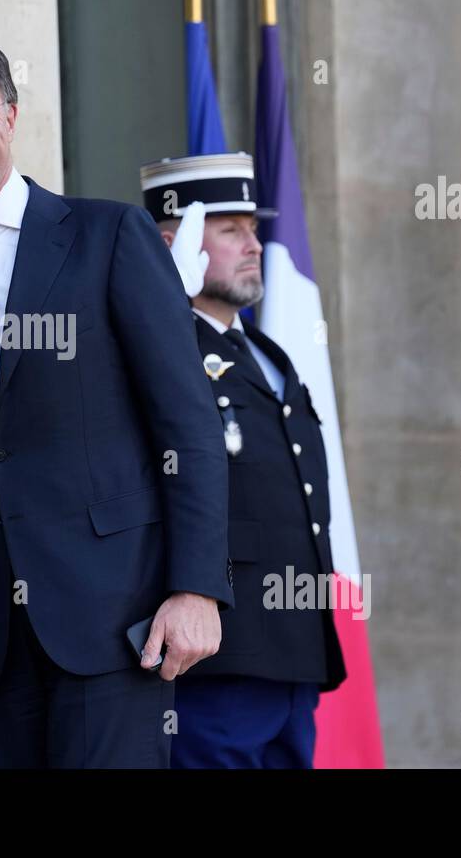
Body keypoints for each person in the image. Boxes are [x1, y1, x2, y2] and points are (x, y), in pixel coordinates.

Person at [0, 27, 232, 768]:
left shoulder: (110, 236)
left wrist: (197, 588)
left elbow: (188, 423)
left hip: (115, 619)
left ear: (11, 115)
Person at [142, 151, 346, 769]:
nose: (253, 244)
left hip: (292, 646)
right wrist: (160, 302)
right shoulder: (163, 344)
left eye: (253, 228)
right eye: (230, 230)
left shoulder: (264, 352)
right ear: (177, 243)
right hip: (221, 649)